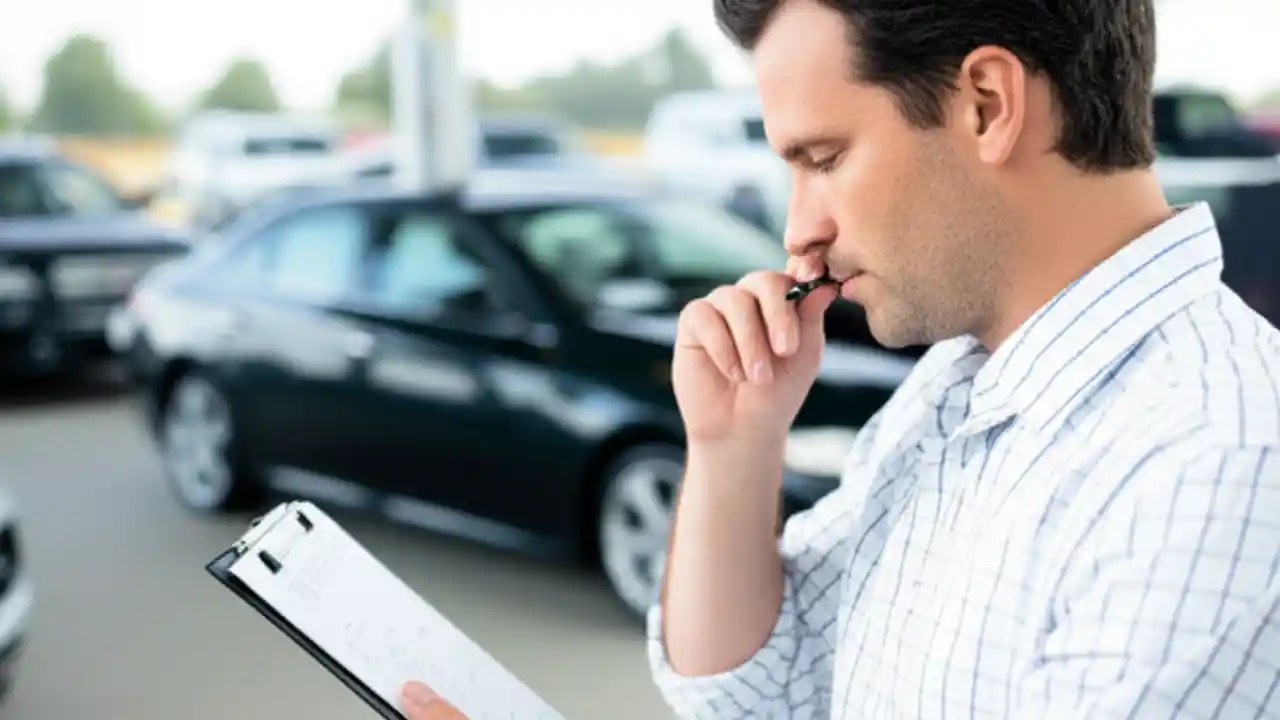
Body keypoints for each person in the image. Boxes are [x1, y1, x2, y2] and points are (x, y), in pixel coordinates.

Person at [399, 1, 1280, 717]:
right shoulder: (956, 383)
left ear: (987, 104)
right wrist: (733, 449)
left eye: (823, 158)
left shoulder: (1216, 465)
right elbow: (753, 692)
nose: (798, 231)